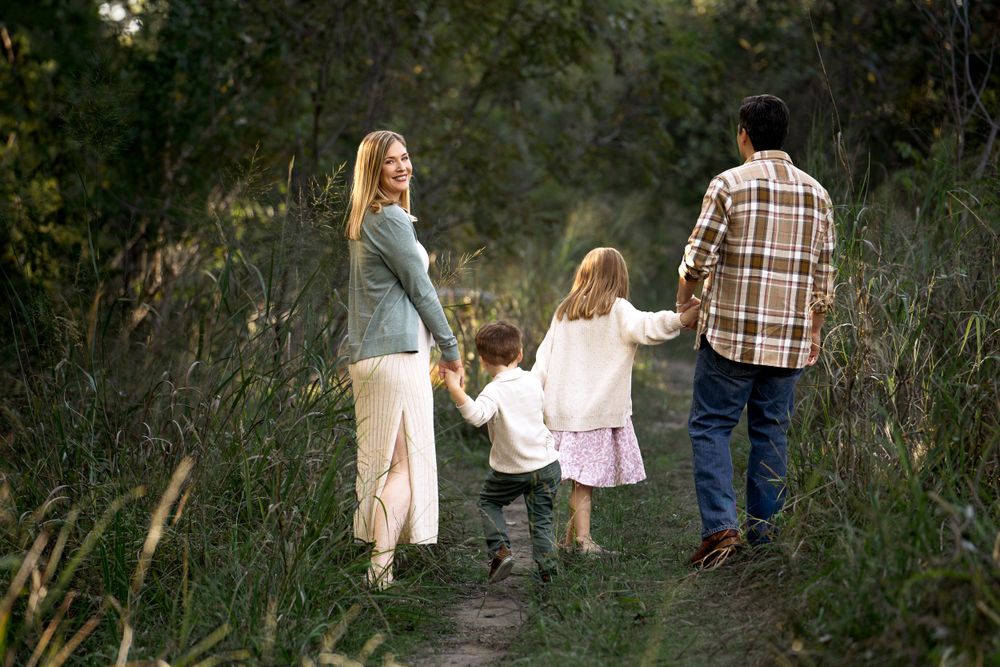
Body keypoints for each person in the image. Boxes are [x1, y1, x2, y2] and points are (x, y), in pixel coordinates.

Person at [676, 94, 837, 568]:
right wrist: (814, 333)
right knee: (771, 434)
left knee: (710, 427)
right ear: (783, 135)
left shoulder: (728, 184)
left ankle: (722, 530)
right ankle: (765, 542)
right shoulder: (817, 194)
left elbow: (697, 260)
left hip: (730, 334)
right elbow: (823, 280)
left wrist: (684, 300)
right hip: (788, 341)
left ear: (743, 133)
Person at [346, 130, 463, 589]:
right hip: (395, 355)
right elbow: (421, 289)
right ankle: (379, 572)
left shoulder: (365, 219)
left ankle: (381, 568)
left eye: (406, 157)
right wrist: (451, 347)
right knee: (402, 466)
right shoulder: (388, 218)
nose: (402, 167)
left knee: (382, 463)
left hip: (372, 355)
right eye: (390, 161)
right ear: (372, 170)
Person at [532, 247, 700, 554]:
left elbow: (543, 359)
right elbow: (648, 326)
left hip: (562, 411)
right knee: (583, 483)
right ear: (619, 277)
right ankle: (584, 541)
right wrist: (679, 319)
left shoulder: (565, 311)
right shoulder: (618, 309)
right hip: (594, 412)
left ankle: (569, 541)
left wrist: (531, 394)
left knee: (575, 480)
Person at [442, 321, 561, 583]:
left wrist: (454, 388)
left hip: (512, 470)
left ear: (483, 361)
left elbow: (476, 416)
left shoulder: (493, 391)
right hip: (546, 466)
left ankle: (500, 551)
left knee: (488, 502)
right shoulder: (532, 380)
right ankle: (548, 573)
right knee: (541, 520)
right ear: (519, 354)